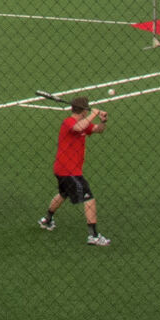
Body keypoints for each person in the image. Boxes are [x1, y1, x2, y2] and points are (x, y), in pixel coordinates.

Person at [39, 99, 111, 244]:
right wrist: (93, 114)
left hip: (65, 169)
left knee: (63, 194)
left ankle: (47, 219)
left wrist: (103, 121)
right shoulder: (69, 122)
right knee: (89, 198)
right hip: (68, 170)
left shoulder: (84, 123)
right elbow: (78, 127)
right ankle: (94, 236)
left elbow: (97, 130)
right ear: (84, 111)